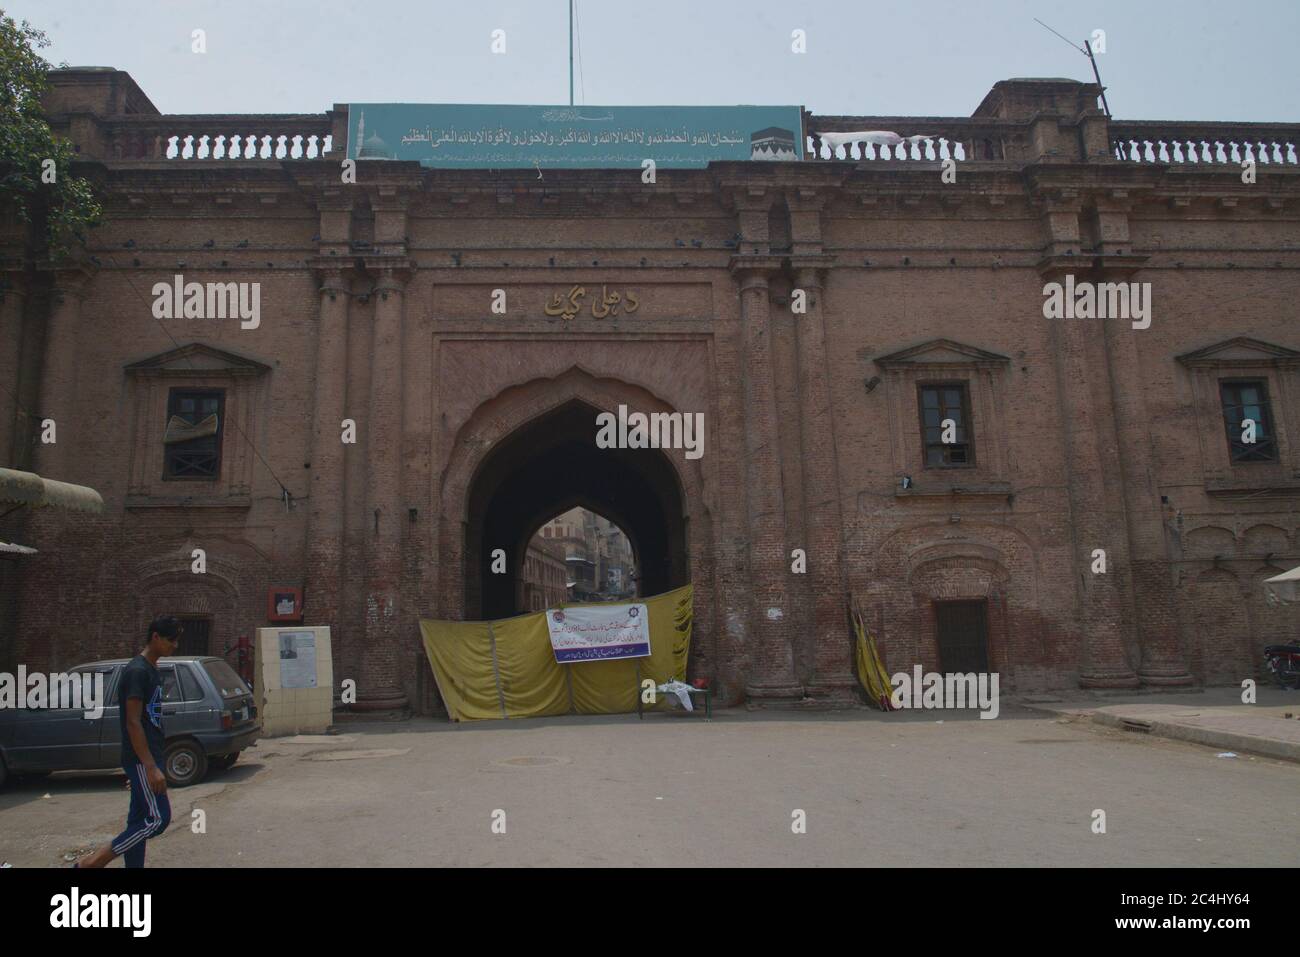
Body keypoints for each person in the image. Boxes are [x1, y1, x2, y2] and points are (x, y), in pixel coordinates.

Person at [75, 615, 179, 868]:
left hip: (148, 757)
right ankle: (93, 862)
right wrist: (149, 767)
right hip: (144, 760)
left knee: (139, 820)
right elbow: (133, 722)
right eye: (170, 640)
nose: (174, 645)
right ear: (155, 637)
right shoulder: (136, 671)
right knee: (158, 819)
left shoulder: (150, 669)